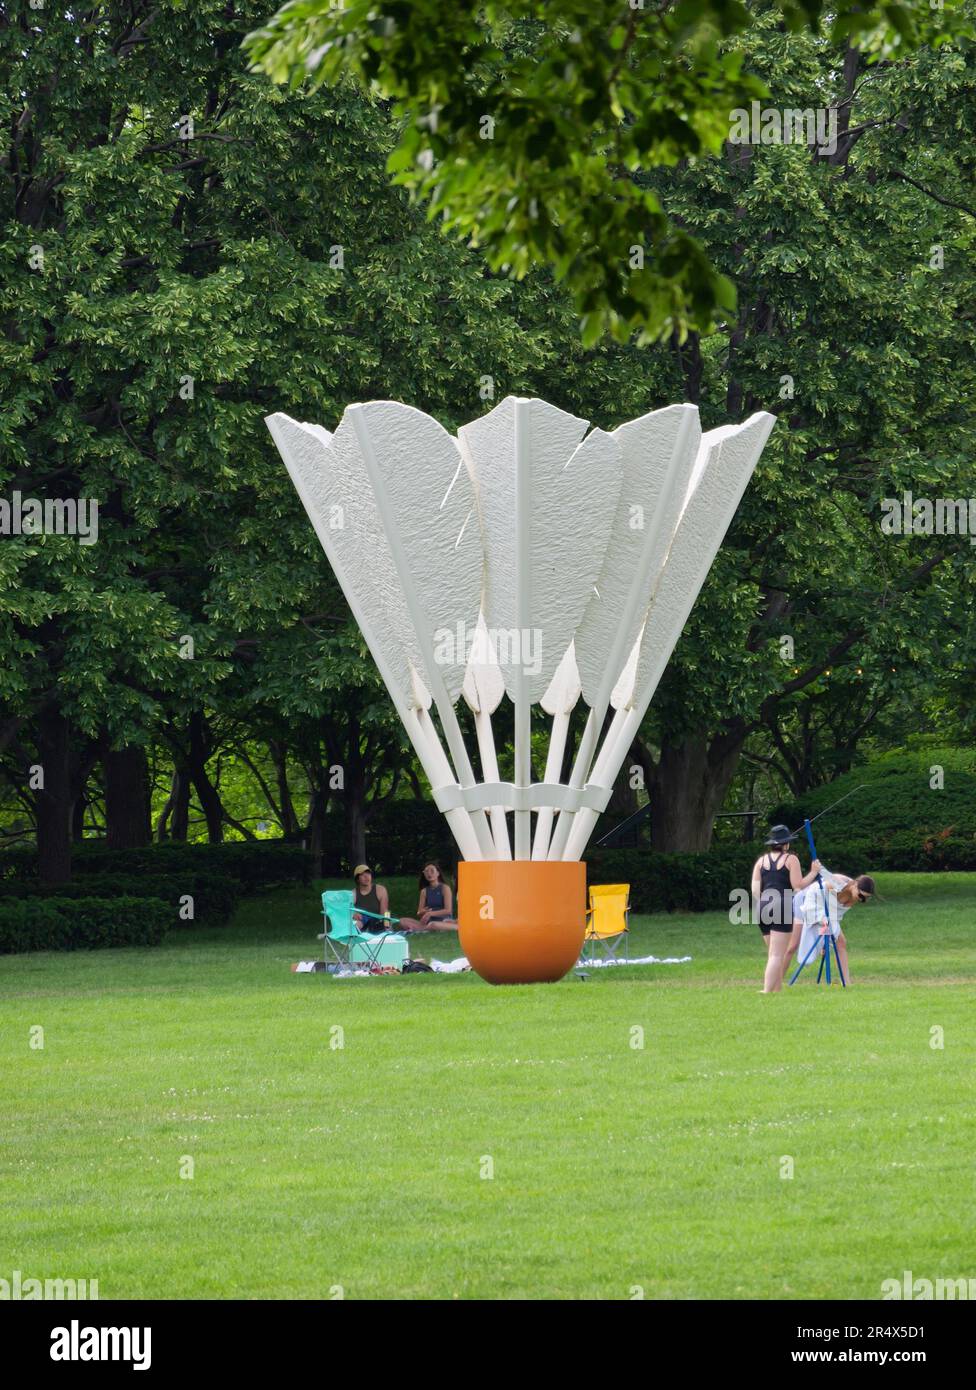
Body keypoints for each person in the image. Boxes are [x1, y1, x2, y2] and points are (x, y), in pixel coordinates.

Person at [750, 824, 823, 994]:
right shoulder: (791, 859)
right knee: (777, 955)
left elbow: (755, 890)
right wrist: (814, 872)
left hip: (762, 905)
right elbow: (798, 885)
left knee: (773, 953)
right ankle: (766, 991)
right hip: (782, 904)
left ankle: (776, 990)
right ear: (786, 843)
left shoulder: (761, 861)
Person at [788, 869, 875, 987]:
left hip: (828, 912)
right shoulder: (839, 882)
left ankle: (846, 982)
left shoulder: (854, 897)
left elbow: (836, 915)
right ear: (855, 884)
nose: (861, 899)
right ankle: (777, 979)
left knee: (841, 943)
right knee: (793, 945)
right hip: (811, 900)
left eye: (865, 899)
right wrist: (826, 933)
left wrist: (827, 940)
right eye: (861, 895)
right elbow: (822, 896)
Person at [414, 861, 457, 931]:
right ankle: (422, 928)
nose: (429, 873)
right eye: (426, 871)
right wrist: (423, 912)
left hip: (444, 921)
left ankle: (420, 929)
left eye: (432, 871)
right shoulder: (424, 891)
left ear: (438, 873)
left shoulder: (445, 888)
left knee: (433, 925)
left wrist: (430, 914)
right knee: (403, 921)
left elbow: (448, 910)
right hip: (429, 921)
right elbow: (419, 912)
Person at [351, 865, 393, 933]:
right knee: (354, 924)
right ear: (357, 879)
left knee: (387, 915)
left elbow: (384, 911)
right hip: (362, 922)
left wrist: (386, 924)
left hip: (377, 921)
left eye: (368, 873)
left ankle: (388, 934)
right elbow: (347, 910)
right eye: (362, 874)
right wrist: (354, 914)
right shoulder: (353, 893)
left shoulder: (381, 890)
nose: (366, 876)